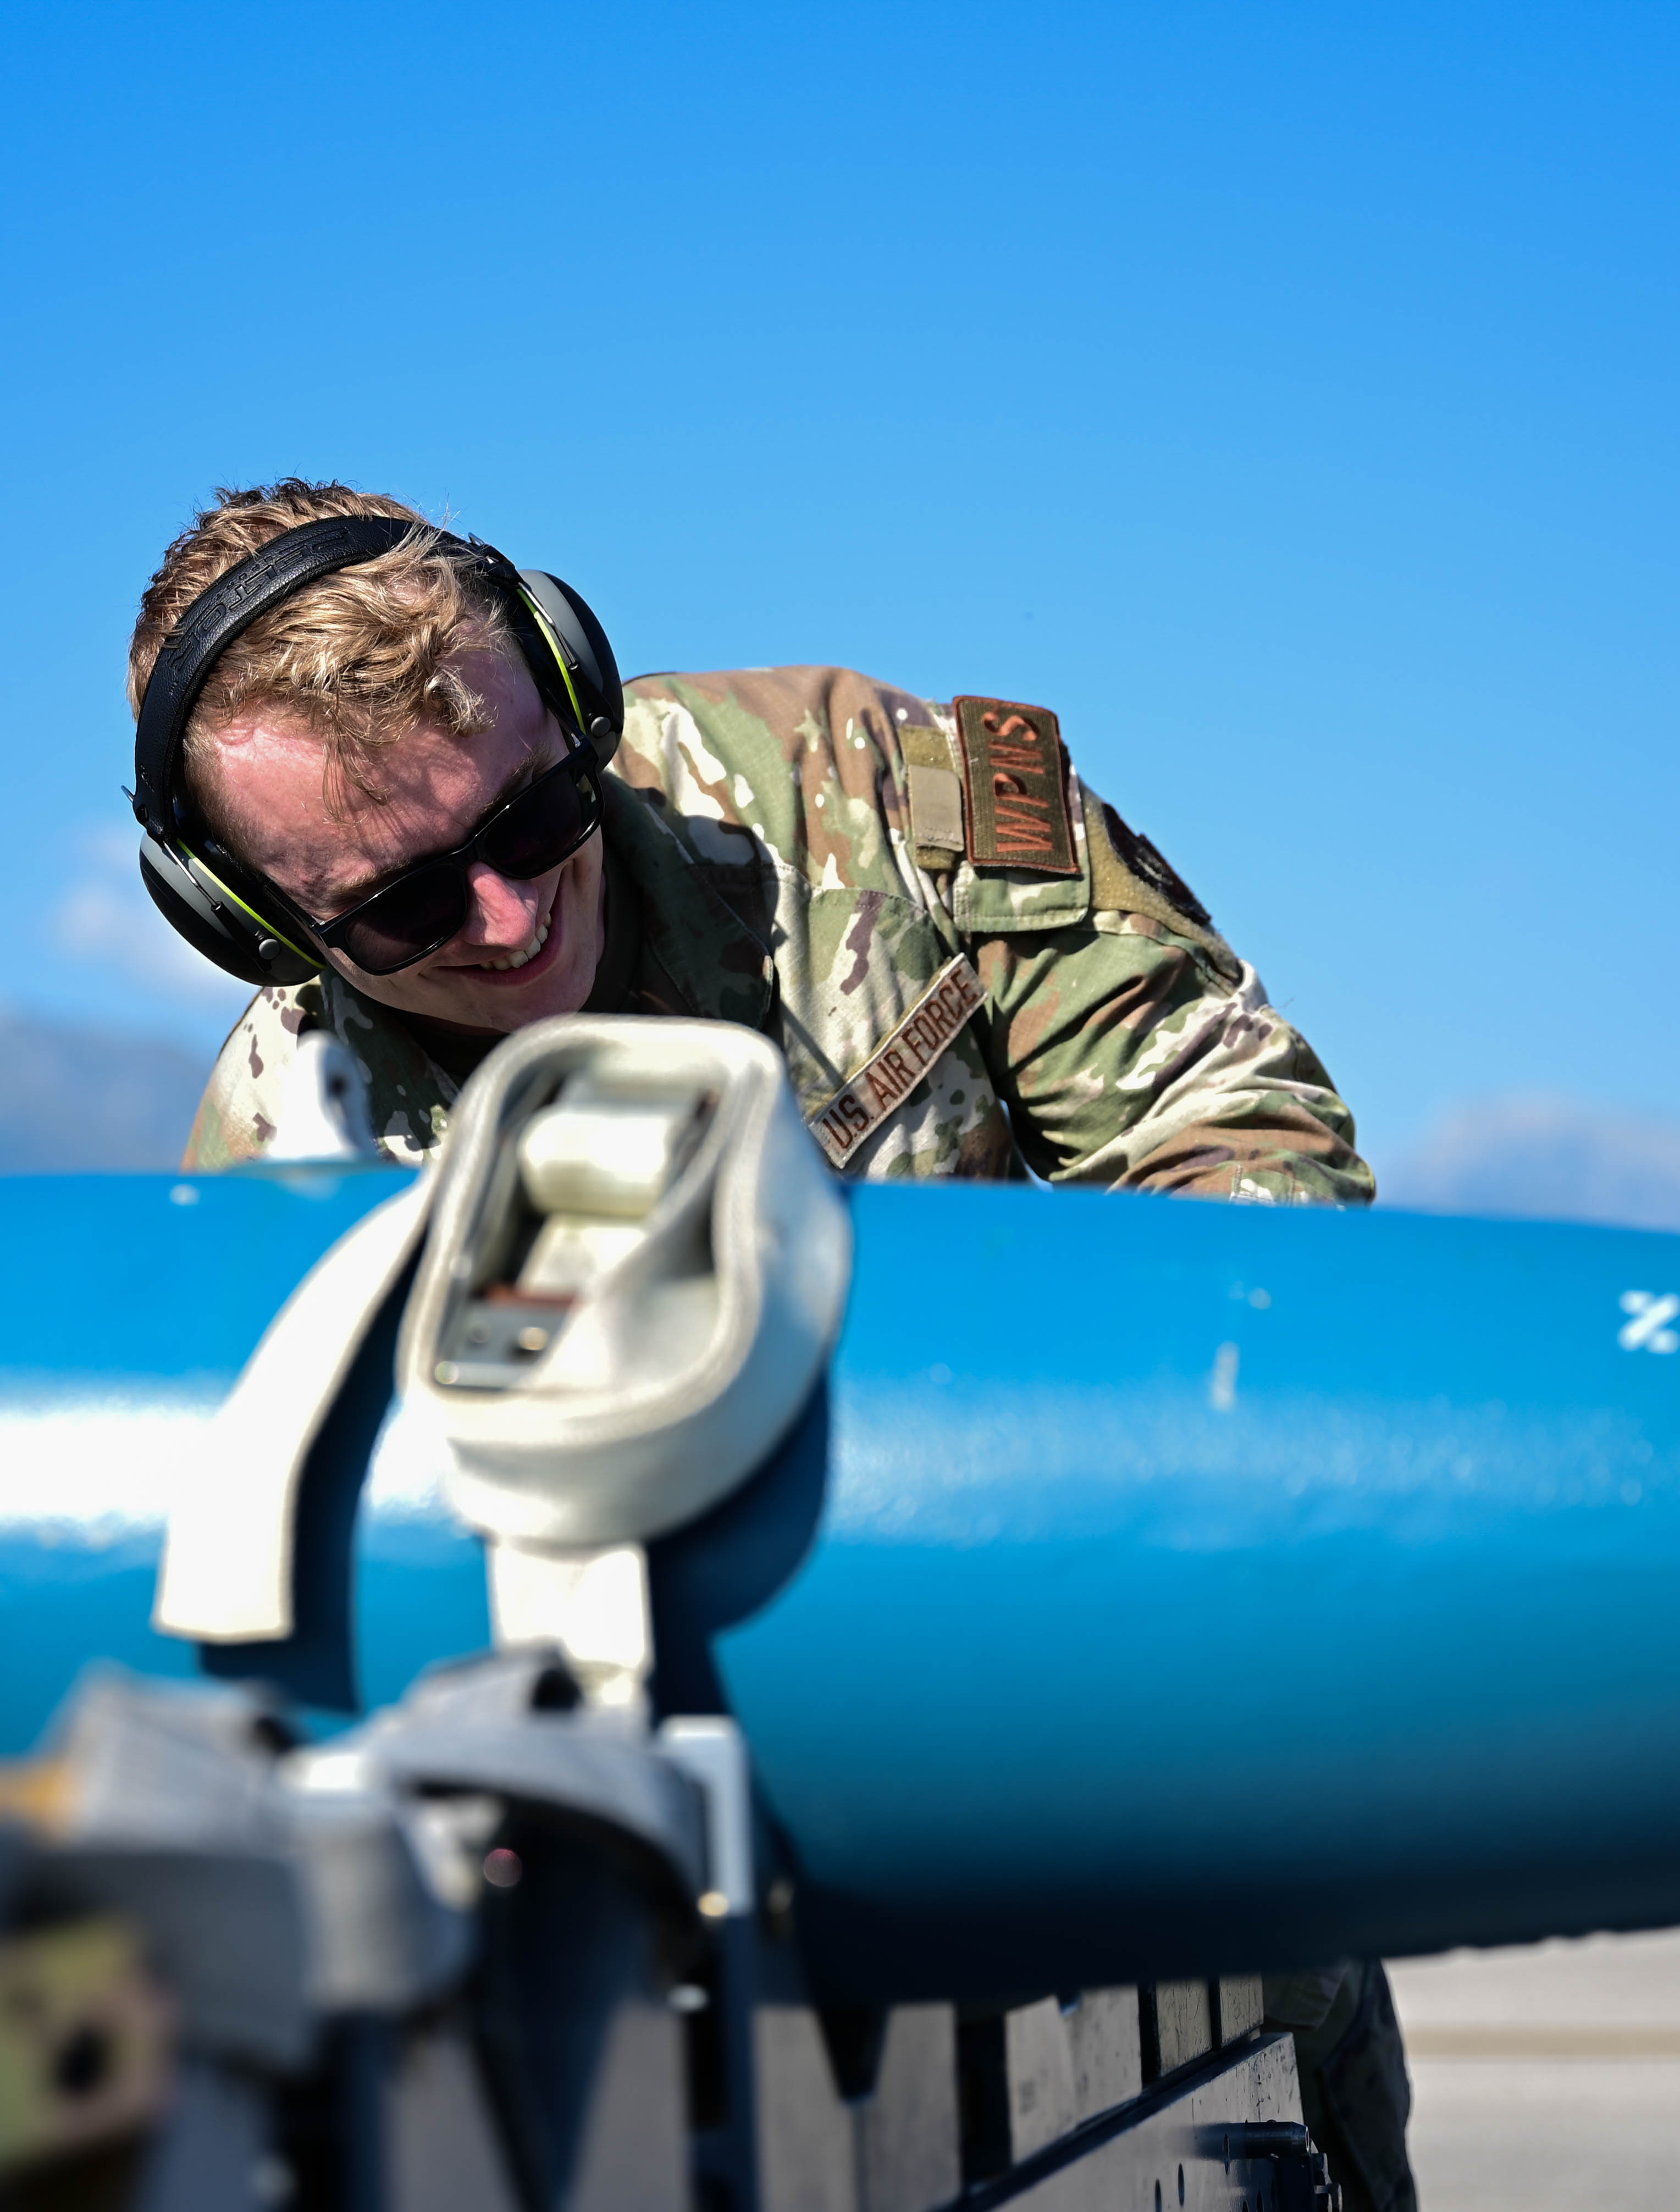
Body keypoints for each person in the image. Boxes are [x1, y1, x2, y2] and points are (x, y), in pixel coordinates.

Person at [124, 479, 1412, 2208]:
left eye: (536, 816)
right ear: (255, 921)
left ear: (575, 699)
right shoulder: (291, 1143)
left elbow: (1251, 1165)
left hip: (1138, 1850)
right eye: (405, 909)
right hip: (698, 1998)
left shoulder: (872, 804)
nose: (510, 923)